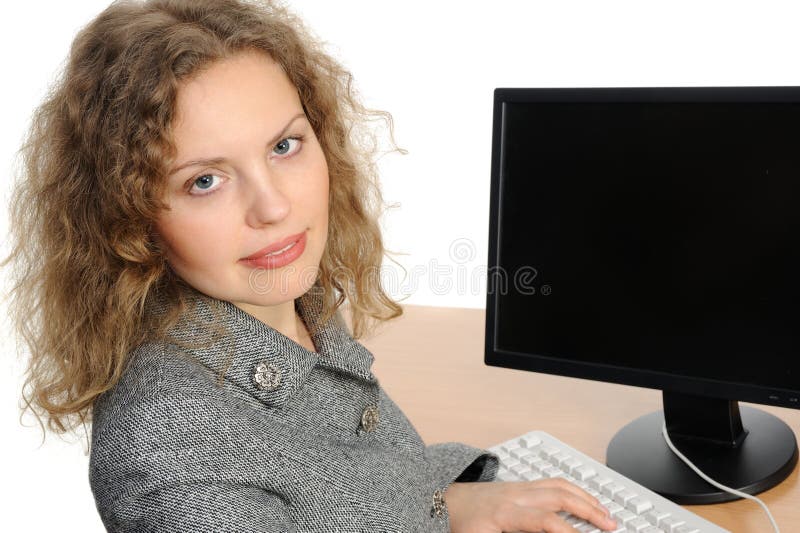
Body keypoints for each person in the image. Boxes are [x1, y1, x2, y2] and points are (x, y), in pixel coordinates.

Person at [4, 0, 617, 531]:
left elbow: (347, 481)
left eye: (284, 145)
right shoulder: (173, 459)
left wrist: (445, 503)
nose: (274, 207)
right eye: (205, 180)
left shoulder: (282, 303)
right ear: (127, 218)